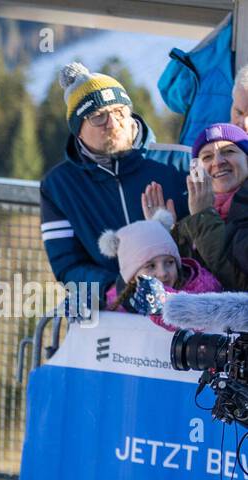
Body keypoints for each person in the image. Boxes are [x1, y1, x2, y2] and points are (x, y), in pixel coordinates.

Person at [40, 62, 190, 309]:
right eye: (97, 116)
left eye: (119, 111)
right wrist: (119, 288)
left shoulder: (180, 163)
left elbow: (214, 245)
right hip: (112, 316)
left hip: (183, 308)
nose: (112, 122)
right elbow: (67, 267)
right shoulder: (58, 187)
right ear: (78, 130)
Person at [142, 124, 248, 291]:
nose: (218, 162)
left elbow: (238, 283)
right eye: (206, 157)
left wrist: (203, 217)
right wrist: (163, 236)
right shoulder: (191, 221)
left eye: (229, 151)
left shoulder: (200, 216)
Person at [99, 213, 221, 327]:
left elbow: (183, 319)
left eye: (169, 262)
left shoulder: (202, 290)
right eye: (151, 266)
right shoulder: (119, 299)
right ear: (131, 277)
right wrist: (89, 306)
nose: (163, 273)